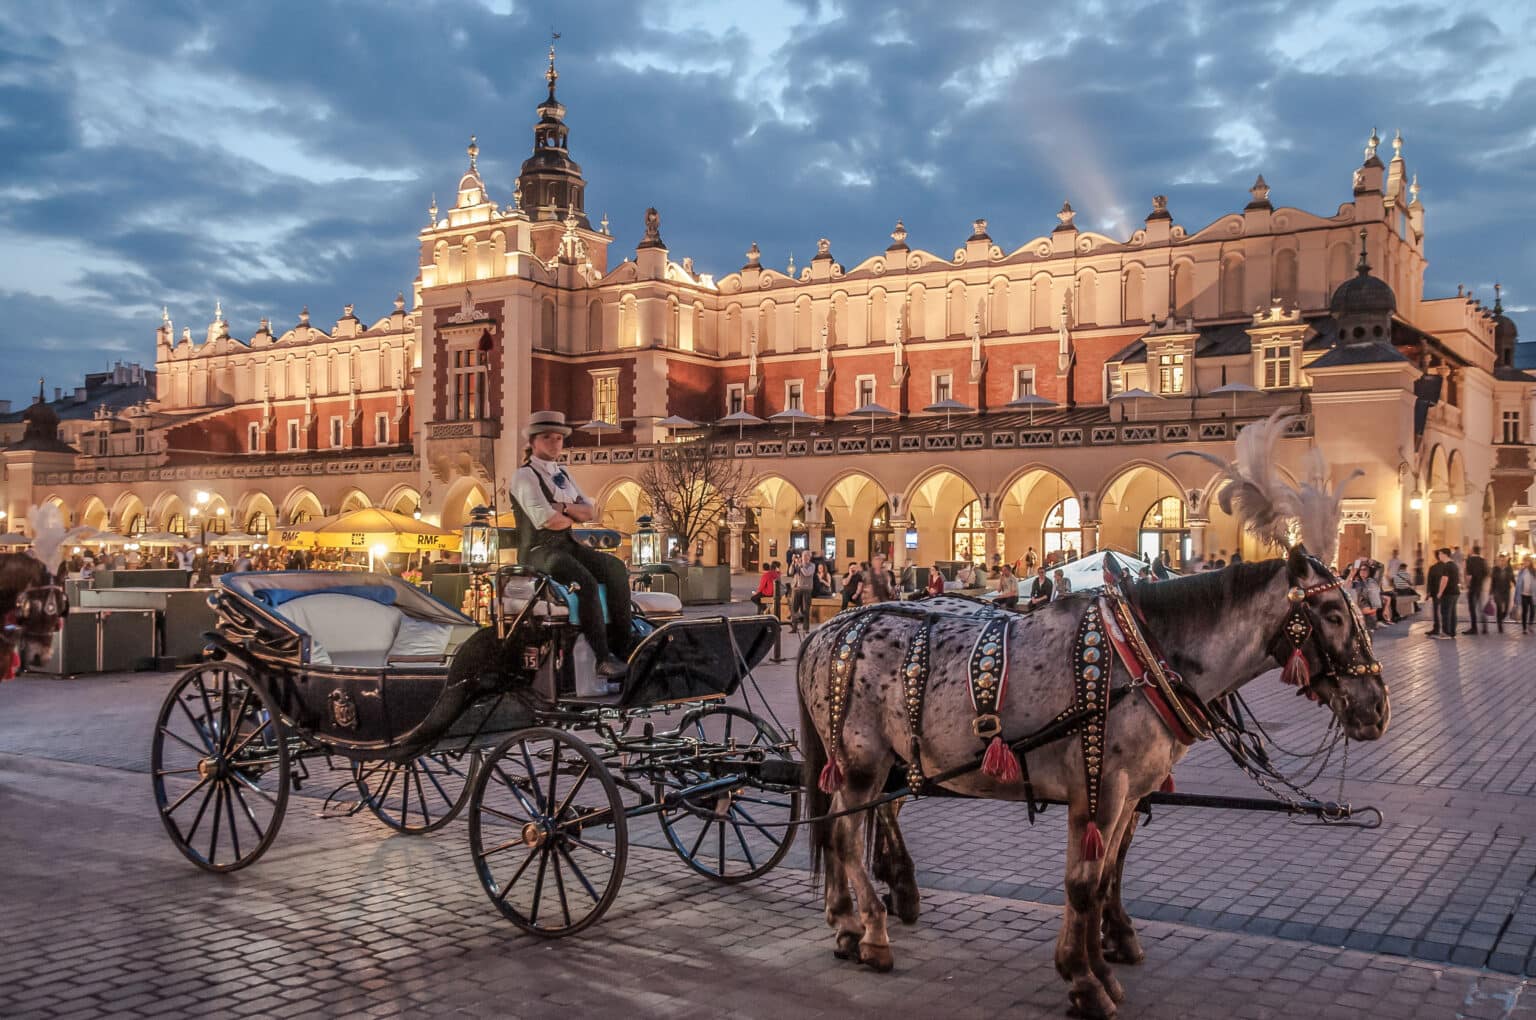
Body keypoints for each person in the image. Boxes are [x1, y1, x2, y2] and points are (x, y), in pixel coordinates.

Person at [510, 410, 633, 679]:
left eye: (558, 438)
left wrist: (563, 507)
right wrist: (571, 512)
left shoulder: (562, 474)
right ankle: (602, 658)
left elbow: (590, 512)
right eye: (547, 438)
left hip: (566, 545)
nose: (555, 443)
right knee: (584, 580)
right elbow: (548, 521)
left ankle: (625, 648)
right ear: (533, 441)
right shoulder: (524, 476)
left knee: (615, 568)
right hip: (538, 551)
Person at [1426, 547, 1459, 640]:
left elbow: (1444, 580)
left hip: (1448, 593)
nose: (1439, 556)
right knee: (1453, 613)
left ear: (1444, 555)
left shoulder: (1446, 566)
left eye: (1440, 554)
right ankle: (1452, 632)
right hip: (1455, 592)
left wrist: (1440, 592)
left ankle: (1446, 633)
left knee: (1445, 613)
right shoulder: (1454, 565)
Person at [1463, 544, 1488, 635]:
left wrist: (1467, 585)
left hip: (1472, 587)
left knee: (1472, 607)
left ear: (1473, 551)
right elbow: (1486, 573)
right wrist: (1481, 581)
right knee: (1480, 607)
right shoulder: (1483, 560)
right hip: (1479, 586)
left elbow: (1468, 575)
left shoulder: (1469, 560)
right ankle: (1485, 627)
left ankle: (1474, 628)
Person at [787, 550, 815, 633]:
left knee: (805, 609)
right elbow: (790, 572)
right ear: (802, 557)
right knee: (794, 609)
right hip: (796, 588)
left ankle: (806, 628)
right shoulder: (797, 564)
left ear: (810, 557)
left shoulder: (812, 565)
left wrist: (800, 565)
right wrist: (792, 562)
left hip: (806, 589)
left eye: (807, 556)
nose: (805, 557)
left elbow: (807, 573)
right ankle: (794, 627)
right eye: (804, 556)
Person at [1491, 553, 1515, 633]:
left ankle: (1501, 618)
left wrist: (1515, 584)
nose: (1502, 562)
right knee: (1499, 607)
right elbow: (1493, 581)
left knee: (1507, 608)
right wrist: (1491, 592)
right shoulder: (1495, 569)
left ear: (1505, 561)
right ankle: (1500, 625)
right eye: (1500, 560)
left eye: (1503, 560)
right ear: (1498, 561)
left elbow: (1512, 578)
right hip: (1497, 590)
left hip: (1506, 590)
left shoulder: (1509, 568)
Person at [1519, 556, 1536, 635]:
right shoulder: (1522, 571)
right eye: (1525, 561)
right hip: (1523, 594)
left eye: (1527, 561)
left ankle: (1530, 625)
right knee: (1525, 611)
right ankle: (1524, 628)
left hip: (1532, 595)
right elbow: (1519, 584)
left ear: (1530, 562)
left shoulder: (1534, 571)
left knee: (1533, 611)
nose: (1526, 563)